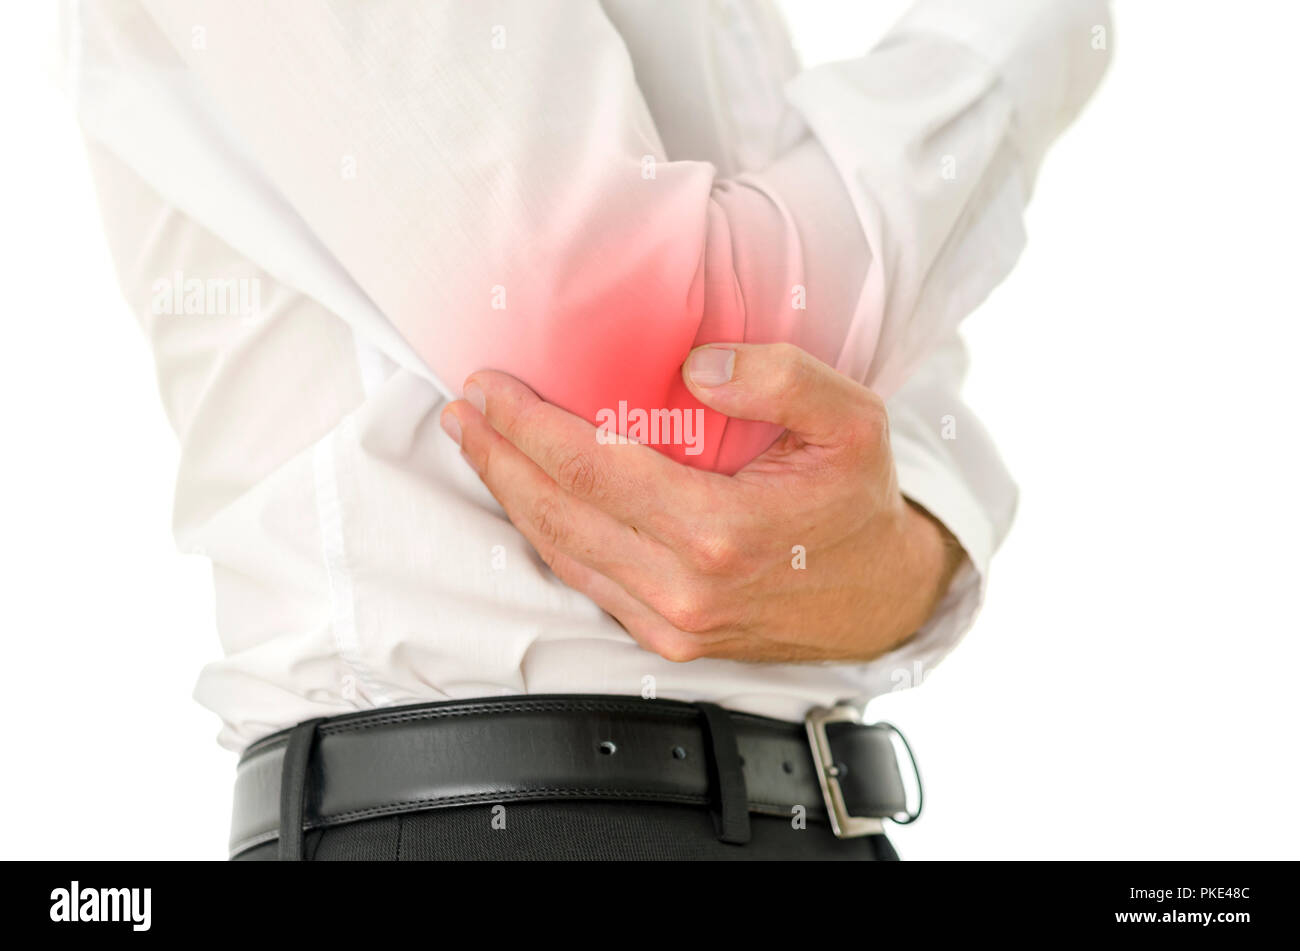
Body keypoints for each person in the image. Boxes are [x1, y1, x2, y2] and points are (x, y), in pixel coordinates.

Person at [68, 0, 1111, 859]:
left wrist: (901, 563)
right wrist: (1022, 38)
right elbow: (665, 361)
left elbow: (857, 404)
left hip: (814, 818)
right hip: (505, 820)